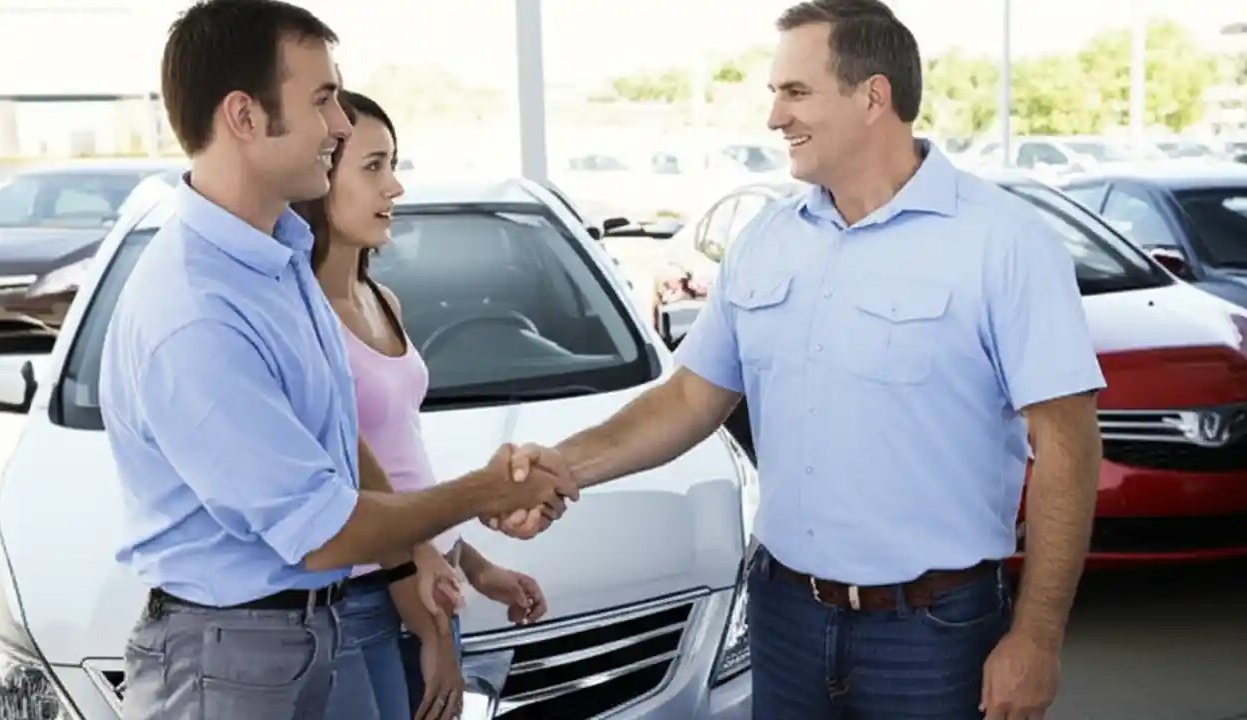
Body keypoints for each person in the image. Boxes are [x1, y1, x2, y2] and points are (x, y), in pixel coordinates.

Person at [497, 1, 1104, 718]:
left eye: (795, 92)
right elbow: (691, 399)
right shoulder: (767, 237)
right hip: (784, 618)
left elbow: (1067, 448)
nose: (774, 118)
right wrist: (564, 467)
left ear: (873, 95)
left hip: (933, 633)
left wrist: (1036, 637)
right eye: (774, 94)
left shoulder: (1003, 241)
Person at [98, 2, 576, 719]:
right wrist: (483, 492)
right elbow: (323, 529)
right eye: (322, 100)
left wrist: (440, 553)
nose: (341, 125)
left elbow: (337, 441)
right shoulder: (196, 309)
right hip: (231, 660)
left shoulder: (276, 255)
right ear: (244, 116)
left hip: (295, 633)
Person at [294, 89, 550, 720]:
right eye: (373, 166)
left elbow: (404, 467)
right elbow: (356, 479)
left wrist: (476, 565)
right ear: (319, 174)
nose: (396, 187)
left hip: (427, 585)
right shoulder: (297, 316)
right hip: (360, 601)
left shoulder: (382, 300)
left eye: (393, 164)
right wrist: (432, 627)